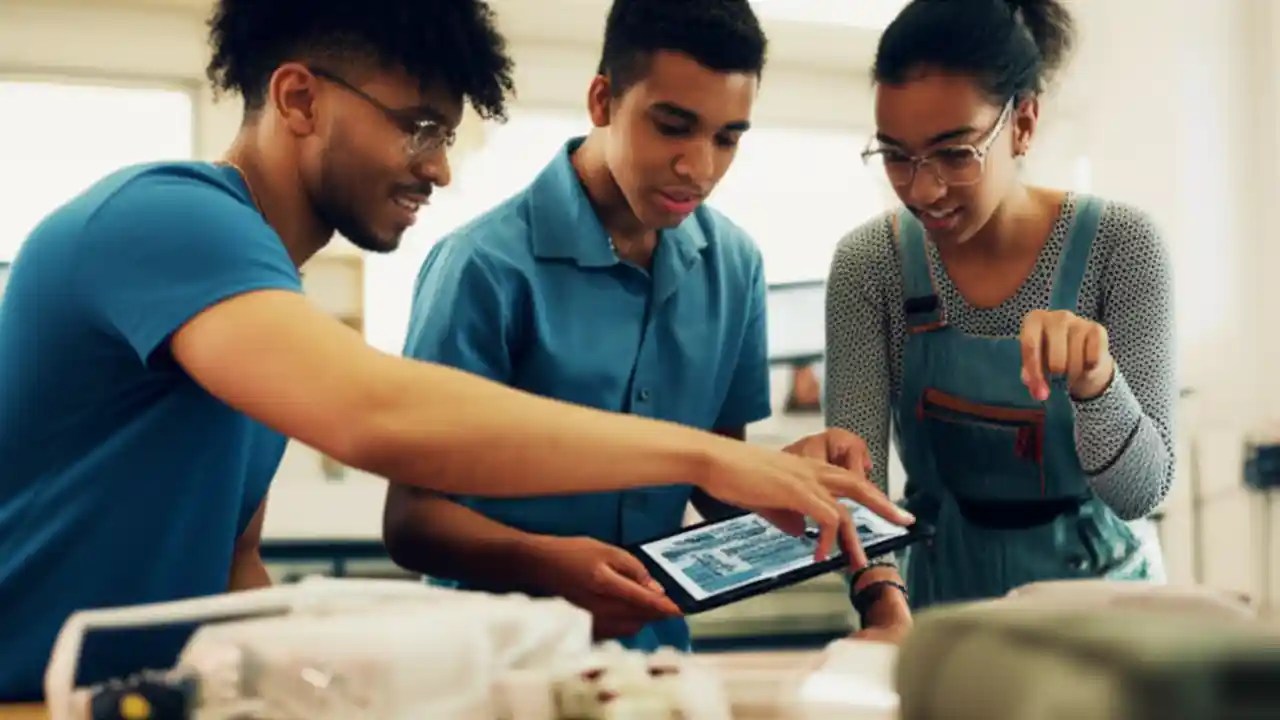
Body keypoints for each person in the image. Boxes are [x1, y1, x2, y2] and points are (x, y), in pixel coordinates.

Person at [0, 0, 911, 701]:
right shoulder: (165, 218)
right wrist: (704, 452)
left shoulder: (254, 292)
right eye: (420, 125)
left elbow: (235, 565)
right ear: (298, 98)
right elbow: (376, 414)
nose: (438, 167)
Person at [386, 0, 914, 651]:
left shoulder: (736, 266)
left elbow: (714, 488)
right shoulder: (482, 267)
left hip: (656, 658)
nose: (700, 168)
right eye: (672, 127)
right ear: (603, 100)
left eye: (727, 138)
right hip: (498, 658)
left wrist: (786, 475)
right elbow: (411, 521)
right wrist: (546, 567)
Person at [825, 0, 1176, 613]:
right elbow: (861, 496)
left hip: (1107, 612)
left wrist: (1098, 383)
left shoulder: (1122, 245)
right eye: (896, 156)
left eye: (955, 154)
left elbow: (1140, 493)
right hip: (945, 605)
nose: (922, 189)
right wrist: (883, 609)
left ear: (1023, 124)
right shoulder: (869, 265)